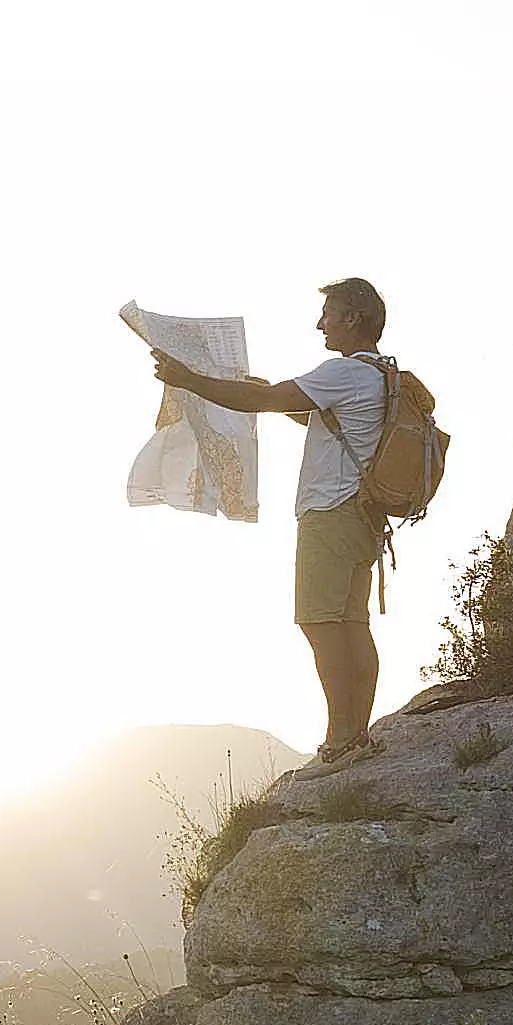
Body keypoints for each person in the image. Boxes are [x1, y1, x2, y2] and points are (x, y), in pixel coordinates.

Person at [149, 278, 391, 770]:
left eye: (330, 312)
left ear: (354, 318)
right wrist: (267, 392)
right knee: (350, 622)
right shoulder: (380, 374)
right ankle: (357, 732)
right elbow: (308, 413)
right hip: (362, 515)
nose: (320, 322)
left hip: (331, 511)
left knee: (320, 621)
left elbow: (263, 402)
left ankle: (342, 737)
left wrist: (190, 378)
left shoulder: (344, 372)